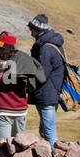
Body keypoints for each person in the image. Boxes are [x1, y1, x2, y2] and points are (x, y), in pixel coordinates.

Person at [26, 14, 66, 145]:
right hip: (52, 93)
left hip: (46, 95)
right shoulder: (54, 44)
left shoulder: (46, 48)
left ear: (38, 30)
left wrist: (27, 86)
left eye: (32, 29)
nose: (30, 31)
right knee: (45, 131)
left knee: (49, 133)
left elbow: (41, 74)